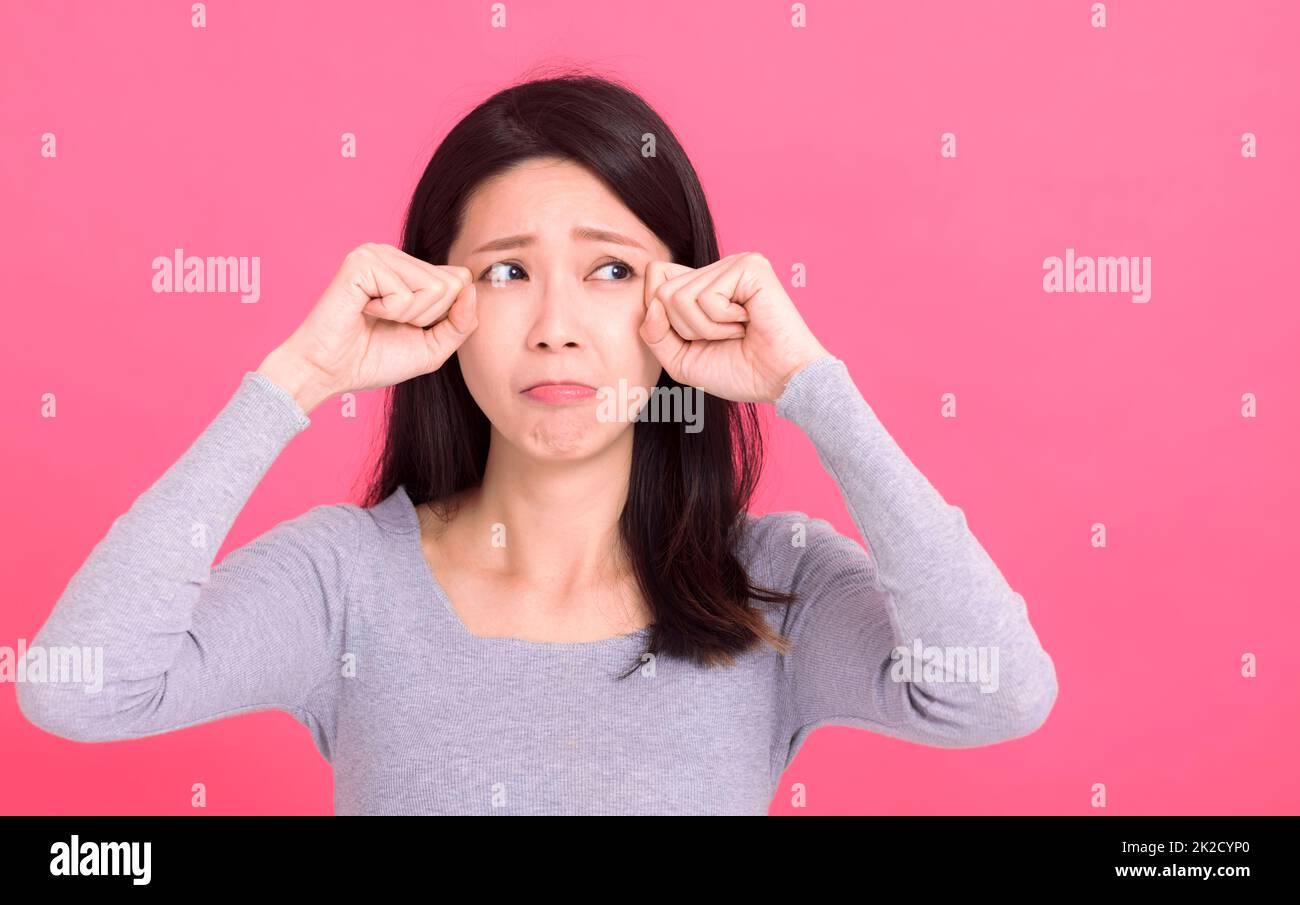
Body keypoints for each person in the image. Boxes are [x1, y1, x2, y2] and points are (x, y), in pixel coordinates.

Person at [17, 71, 1058, 815]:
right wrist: (296, 378)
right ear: (440, 301)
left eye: (609, 270)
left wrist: (811, 388)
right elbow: (77, 685)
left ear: (682, 293)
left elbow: (998, 692)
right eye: (507, 271)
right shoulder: (344, 578)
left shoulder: (774, 587)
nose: (556, 323)